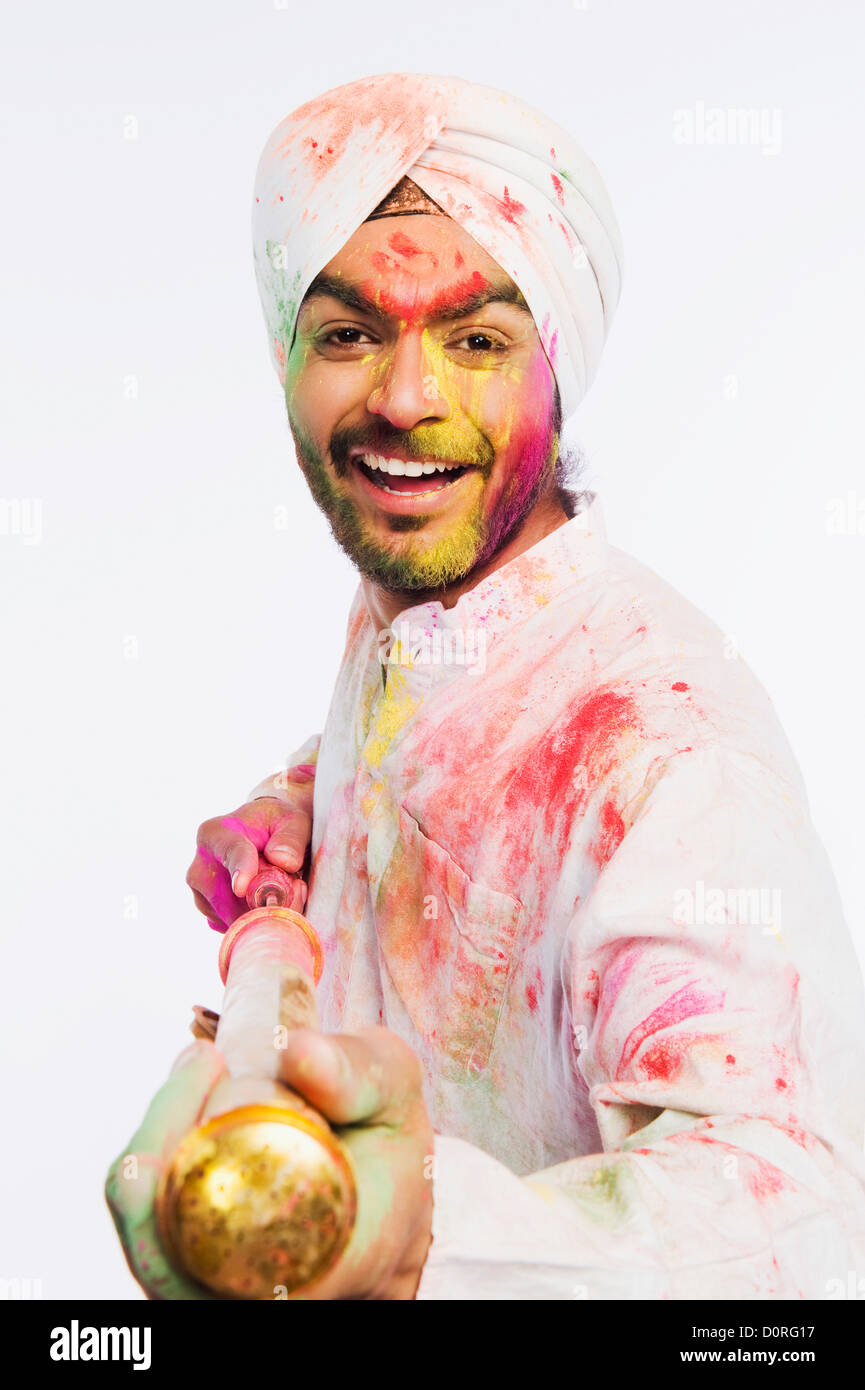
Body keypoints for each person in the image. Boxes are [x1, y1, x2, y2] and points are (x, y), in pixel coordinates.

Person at [106, 73, 865, 1300]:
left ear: (556, 374)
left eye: (475, 340)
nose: (406, 400)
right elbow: (447, 740)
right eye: (350, 332)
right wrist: (305, 799)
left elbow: (801, 1224)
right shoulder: (435, 607)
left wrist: (418, 1248)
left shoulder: (667, 760)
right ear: (286, 355)